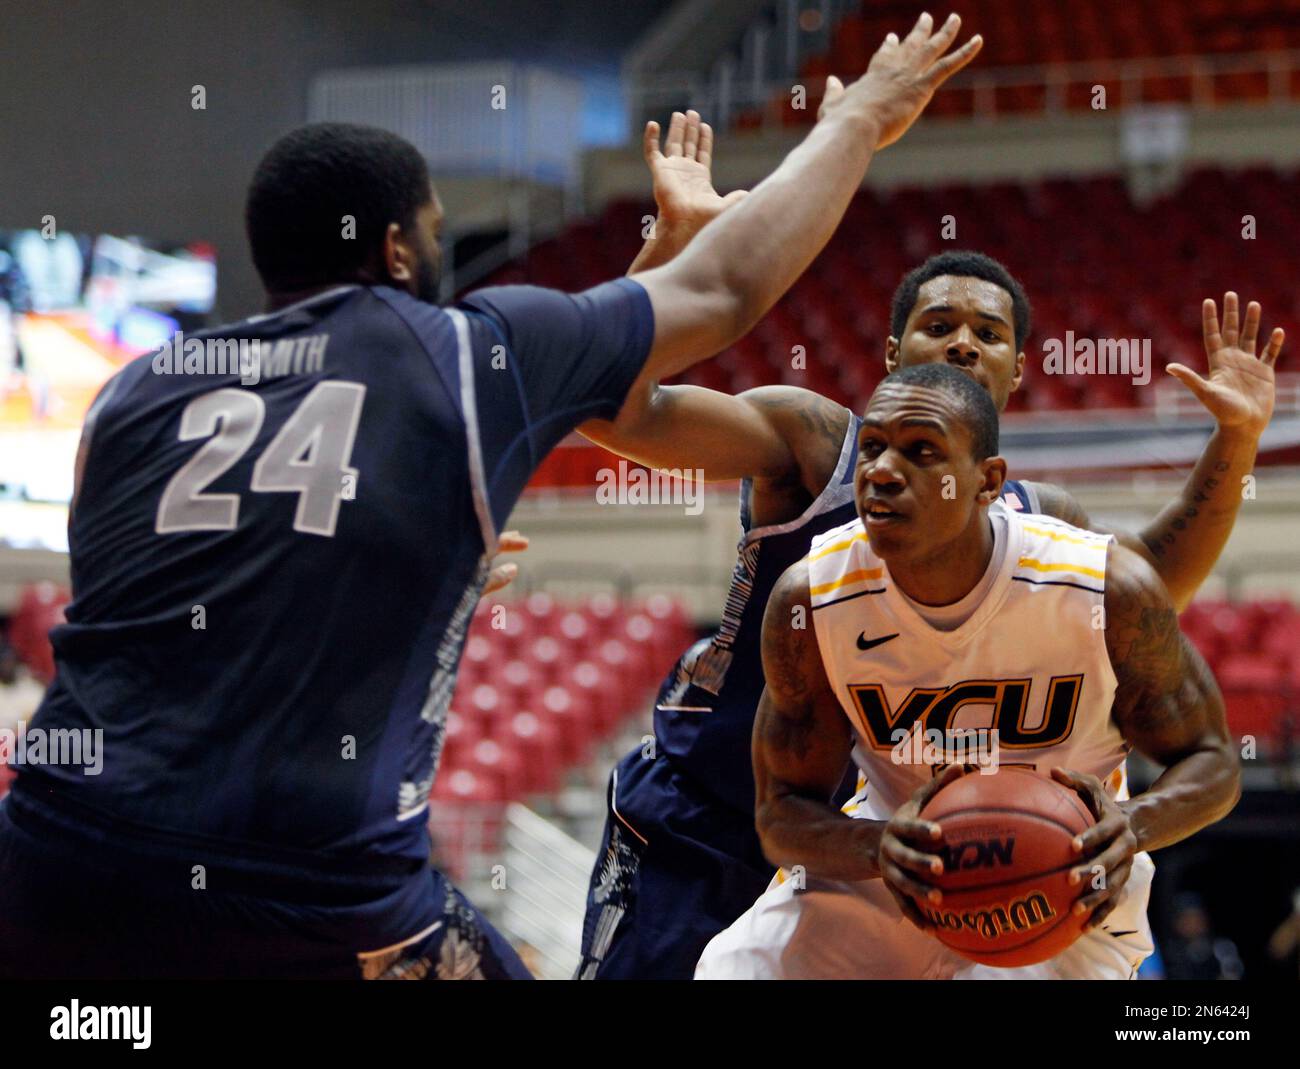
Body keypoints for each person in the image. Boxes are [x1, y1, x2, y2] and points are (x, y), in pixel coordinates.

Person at [0, 13, 984, 979]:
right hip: (316, 886)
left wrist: (423, 561)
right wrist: (859, 117)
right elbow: (724, 291)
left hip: (53, 854)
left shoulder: (134, 391)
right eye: (434, 232)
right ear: (396, 249)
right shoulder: (458, 354)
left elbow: (162, 612)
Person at [575, 115, 1283, 979]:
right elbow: (612, 406)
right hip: (716, 808)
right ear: (889, 352)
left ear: (1017, 373)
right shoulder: (817, 441)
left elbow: (1146, 587)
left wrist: (1235, 444)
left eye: (987, 335)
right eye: (937, 324)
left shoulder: (1041, 520)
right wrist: (672, 258)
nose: (961, 343)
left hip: (895, 840)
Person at [694, 362, 1240, 978]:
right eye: (871, 447)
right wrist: (878, 847)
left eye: (920, 452)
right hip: (896, 866)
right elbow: (781, 812)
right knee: (732, 970)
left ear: (987, 481)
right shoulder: (812, 599)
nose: (881, 472)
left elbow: (1213, 761)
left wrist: (1131, 826)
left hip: (1068, 877)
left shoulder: (1101, 588)